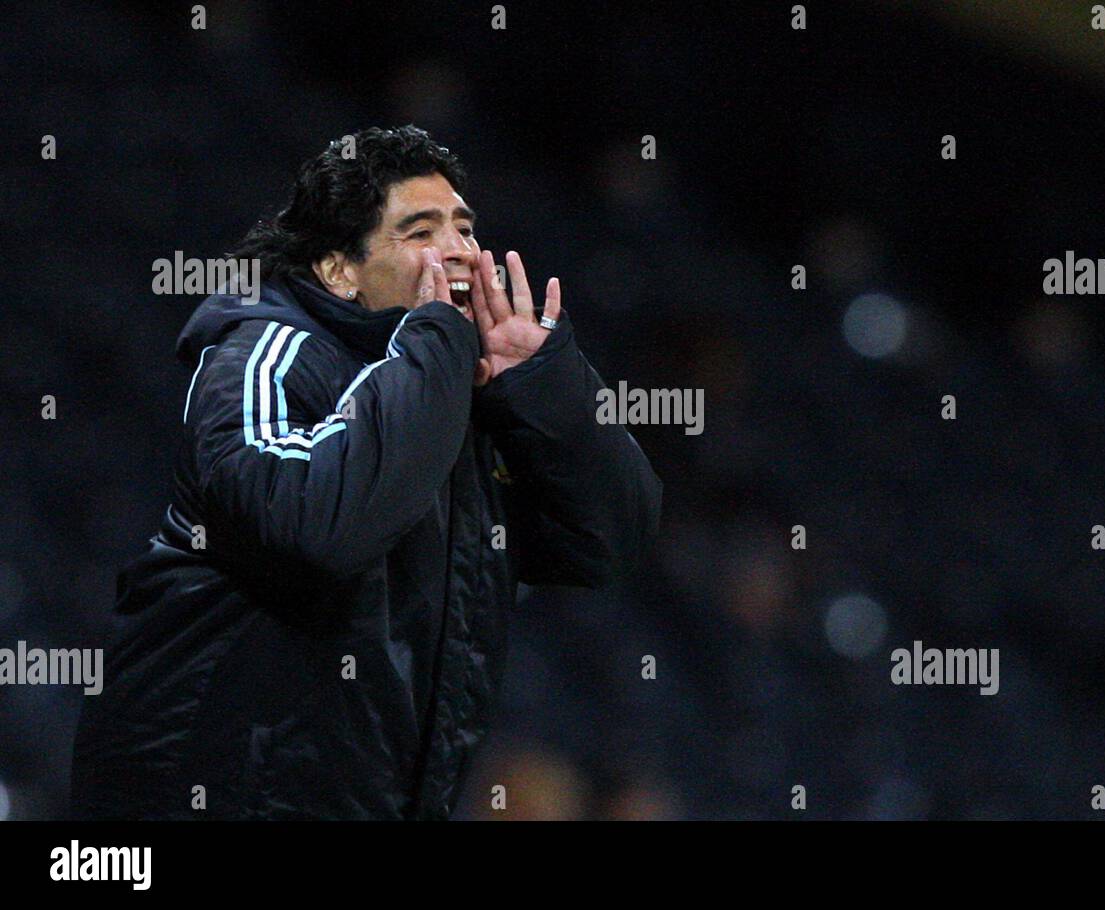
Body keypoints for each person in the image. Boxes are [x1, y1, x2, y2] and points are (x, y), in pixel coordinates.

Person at [70, 126, 662, 820]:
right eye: (420, 231)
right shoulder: (264, 355)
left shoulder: (468, 392)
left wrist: (544, 383)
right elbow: (316, 529)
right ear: (338, 269)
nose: (457, 249)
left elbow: (610, 545)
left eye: (464, 228)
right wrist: (437, 338)